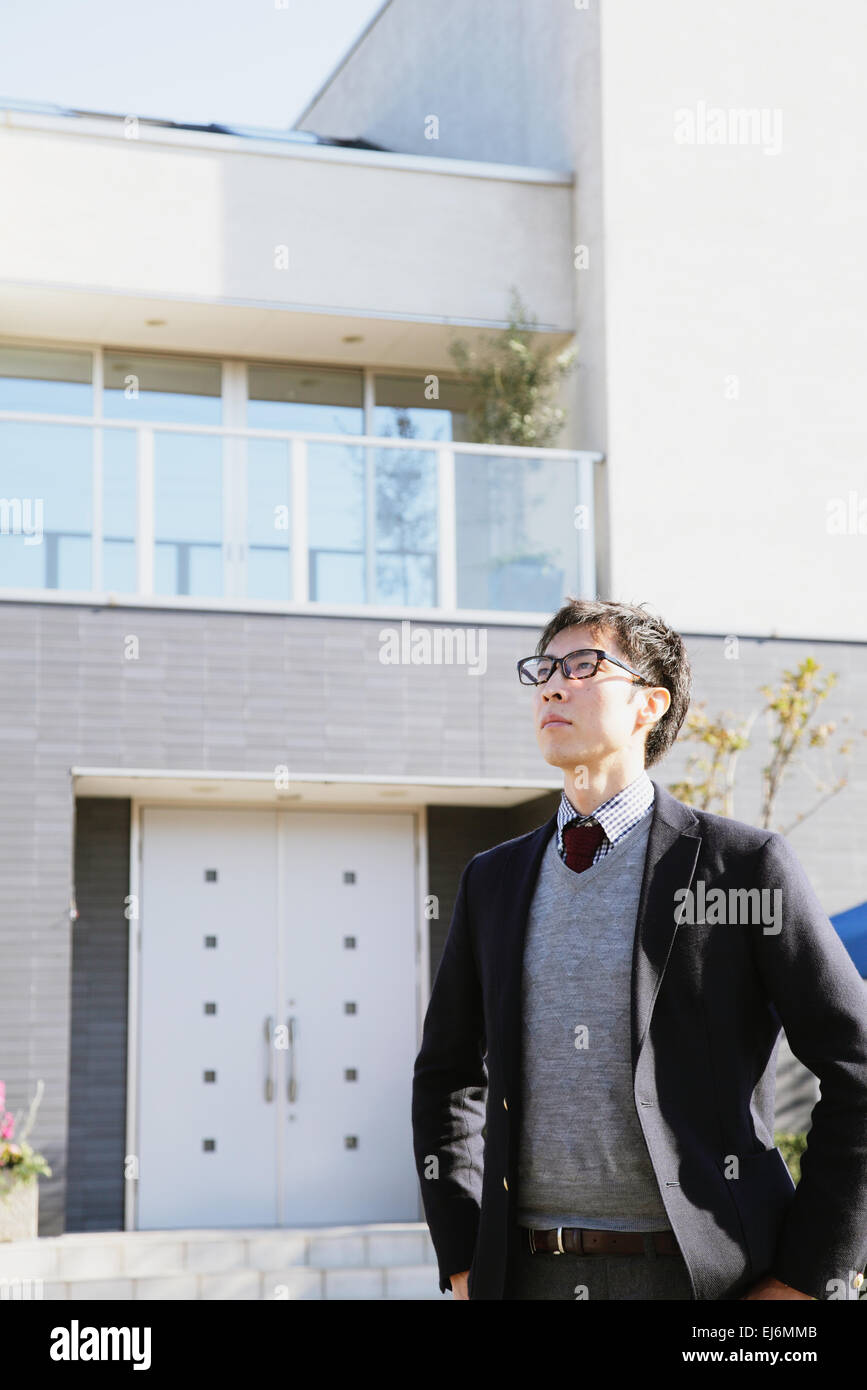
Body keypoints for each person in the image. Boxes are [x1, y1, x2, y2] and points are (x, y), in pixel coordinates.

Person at [411, 598, 867, 1300]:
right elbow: (447, 1075)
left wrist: (805, 1281)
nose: (553, 685)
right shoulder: (491, 880)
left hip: (708, 1281)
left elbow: (856, 1067)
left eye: (583, 665)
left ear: (648, 705)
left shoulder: (742, 866)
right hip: (525, 1275)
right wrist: (463, 1258)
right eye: (544, 670)